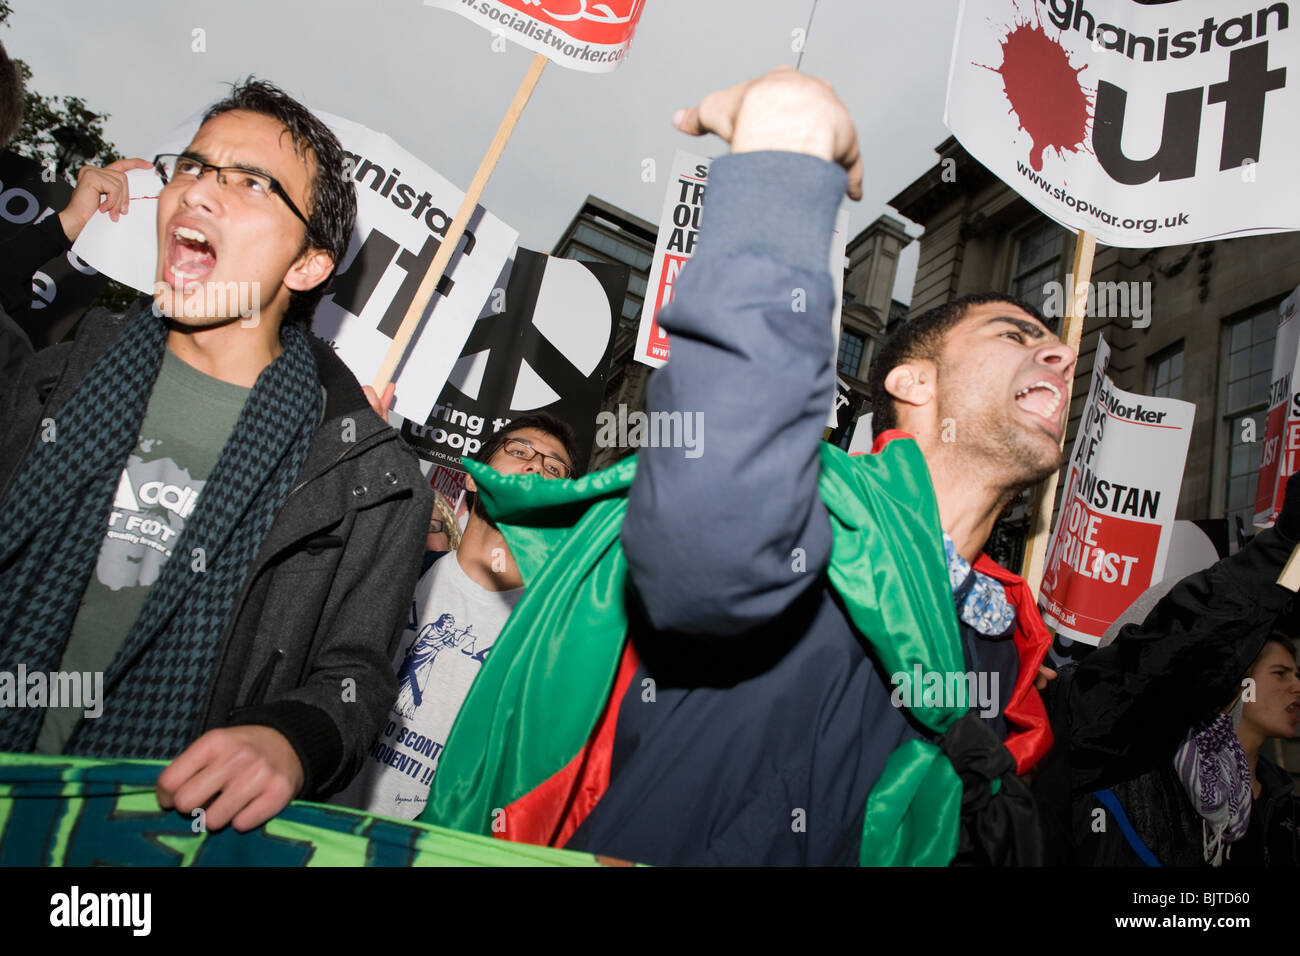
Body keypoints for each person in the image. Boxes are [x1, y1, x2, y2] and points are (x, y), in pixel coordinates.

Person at [419, 67, 1065, 865]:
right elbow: (716, 502)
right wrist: (781, 175)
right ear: (913, 383)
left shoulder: (1004, 642)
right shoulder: (814, 514)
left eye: (1057, 347)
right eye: (1013, 333)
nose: (1060, 355)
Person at [0, 79, 430, 833]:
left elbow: (355, 677)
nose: (198, 193)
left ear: (307, 267)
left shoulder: (368, 481)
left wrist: (291, 739)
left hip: (141, 843)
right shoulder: (45, 382)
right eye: (193, 168)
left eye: (251, 184)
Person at [333, 411, 582, 820]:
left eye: (555, 468)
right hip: (316, 827)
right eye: (519, 451)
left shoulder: (554, 638)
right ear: (471, 476)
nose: (535, 465)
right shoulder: (394, 573)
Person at [1061, 629, 1299, 867]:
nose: (1296, 686)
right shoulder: (1163, 776)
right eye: (1280, 674)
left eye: (1296, 675)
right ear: (1240, 679)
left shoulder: (1282, 796)